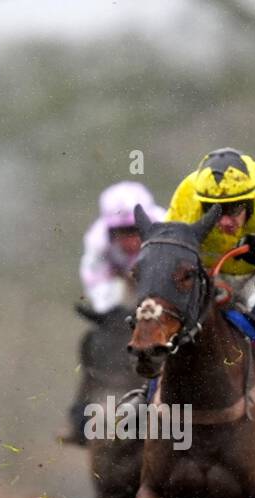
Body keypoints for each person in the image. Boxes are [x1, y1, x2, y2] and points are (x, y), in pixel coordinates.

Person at [166, 147, 255, 375]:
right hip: (208, 275)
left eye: (233, 209)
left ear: (251, 203)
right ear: (201, 205)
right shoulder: (186, 205)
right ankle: (147, 393)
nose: (224, 221)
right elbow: (170, 263)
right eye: (214, 210)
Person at [61, 181, 165, 446]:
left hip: (161, 286)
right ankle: (81, 415)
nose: (129, 240)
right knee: (94, 340)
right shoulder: (96, 241)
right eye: (121, 233)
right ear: (109, 231)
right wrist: (111, 313)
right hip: (121, 285)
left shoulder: (166, 229)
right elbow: (95, 280)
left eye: (134, 231)